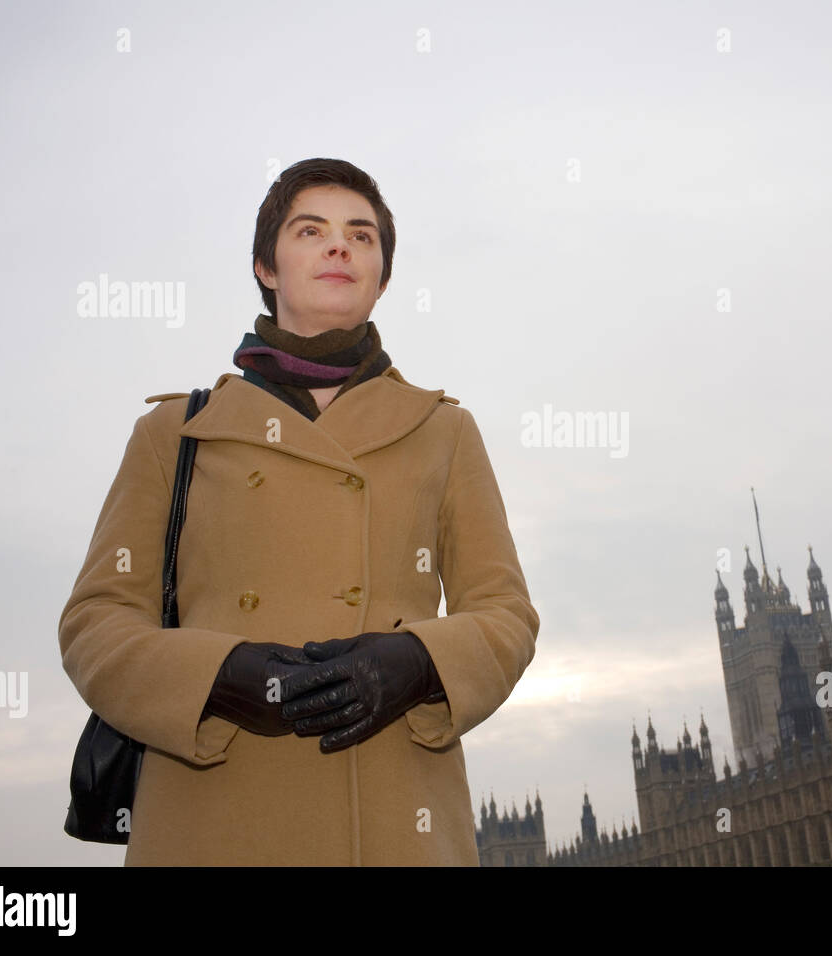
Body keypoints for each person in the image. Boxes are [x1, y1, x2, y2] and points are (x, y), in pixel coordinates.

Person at [58, 158, 540, 865]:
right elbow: (94, 627)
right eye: (311, 230)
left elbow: (506, 616)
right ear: (266, 267)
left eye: (362, 236)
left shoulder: (443, 432)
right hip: (211, 818)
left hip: (392, 821)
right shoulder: (174, 433)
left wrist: (418, 662)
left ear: (382, 278)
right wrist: (218, 677)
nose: (340, 246)